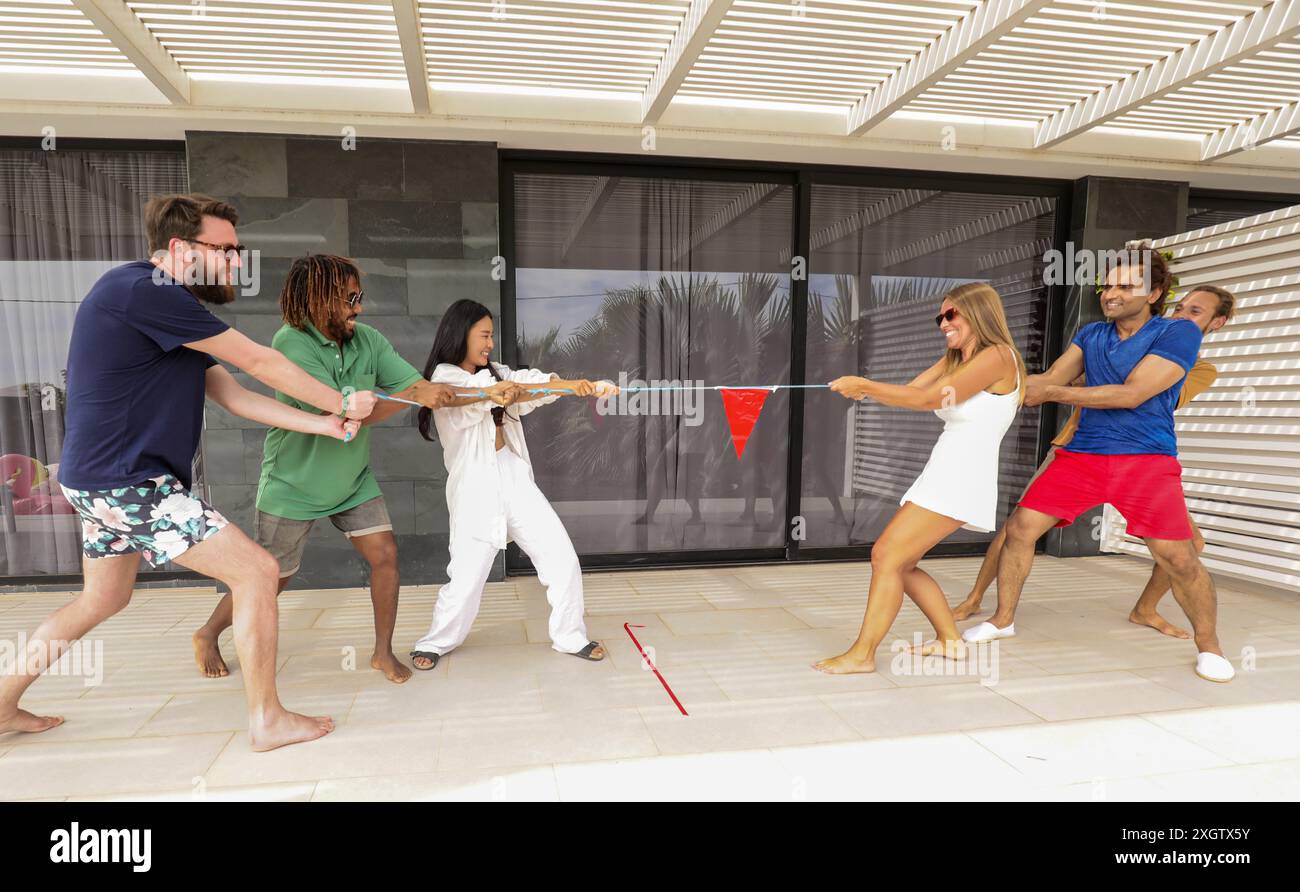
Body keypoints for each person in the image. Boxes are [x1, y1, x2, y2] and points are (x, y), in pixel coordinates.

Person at [0, 193, 378, 751]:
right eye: (224, 250)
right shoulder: (144, 290)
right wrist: (344, 401)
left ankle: (1, 705)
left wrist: (323, 423)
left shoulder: (166, 307)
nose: (235, 261)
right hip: (127, 482)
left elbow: (233, 393)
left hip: (100, 481)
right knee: (256, 571)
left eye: (237, 249)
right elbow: (262, 361)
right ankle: (267, 719)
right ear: (180, 249)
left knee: (101, 599)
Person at [190, 255, 495, 684]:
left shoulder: (368, 339)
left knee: (385, 554)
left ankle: (381, 653)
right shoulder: (289, 342)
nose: (359, 306)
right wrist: (416, 396)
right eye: (351, 297)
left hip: (352, 480)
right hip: (293, 483)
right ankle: (208, 632)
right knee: (270, 578)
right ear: (321, 298)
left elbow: (413, 384)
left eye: (360, 296)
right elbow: (343, 413)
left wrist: (464, 392)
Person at [969, 249, 1234, 683]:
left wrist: (1052, 394)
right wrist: (975, 386)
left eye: (1124, 287)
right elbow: (1051, 377)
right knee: (1020, 530)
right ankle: (1003, 619)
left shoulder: (1176, 334)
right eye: (1107, 286)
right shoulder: (1091, 333)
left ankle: (1210, 646)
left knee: (1179, 557)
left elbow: (1131, 394)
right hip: (1083, 455)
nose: (1110, 294)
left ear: (1154, 292)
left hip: (1145, 460)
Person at [813, 283, 1024, 674]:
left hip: (961, 477)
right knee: (901, 563)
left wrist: (866, 385)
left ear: (979, 313)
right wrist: (869, 391)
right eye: (940, 317)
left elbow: (932, 400)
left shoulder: (997, 356)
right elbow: (913, 391)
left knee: (886, 556)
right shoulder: (958, 359)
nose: (943, 323)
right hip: (943, 472)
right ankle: (950, 641)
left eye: (952, 314)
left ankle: (862, 655)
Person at [408, 299, 615, 670]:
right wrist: (508, 388)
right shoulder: (444, 377)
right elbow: (483, 392)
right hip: (475, 486)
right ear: (461, 333)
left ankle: (570, 635)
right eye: (483, 335)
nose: (489, 343)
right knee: (467, 578)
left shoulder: (497, 372)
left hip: (513, 476)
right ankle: (436, 641)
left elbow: (527, 385)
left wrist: (578, 387)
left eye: (490, 335)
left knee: (561, 557)